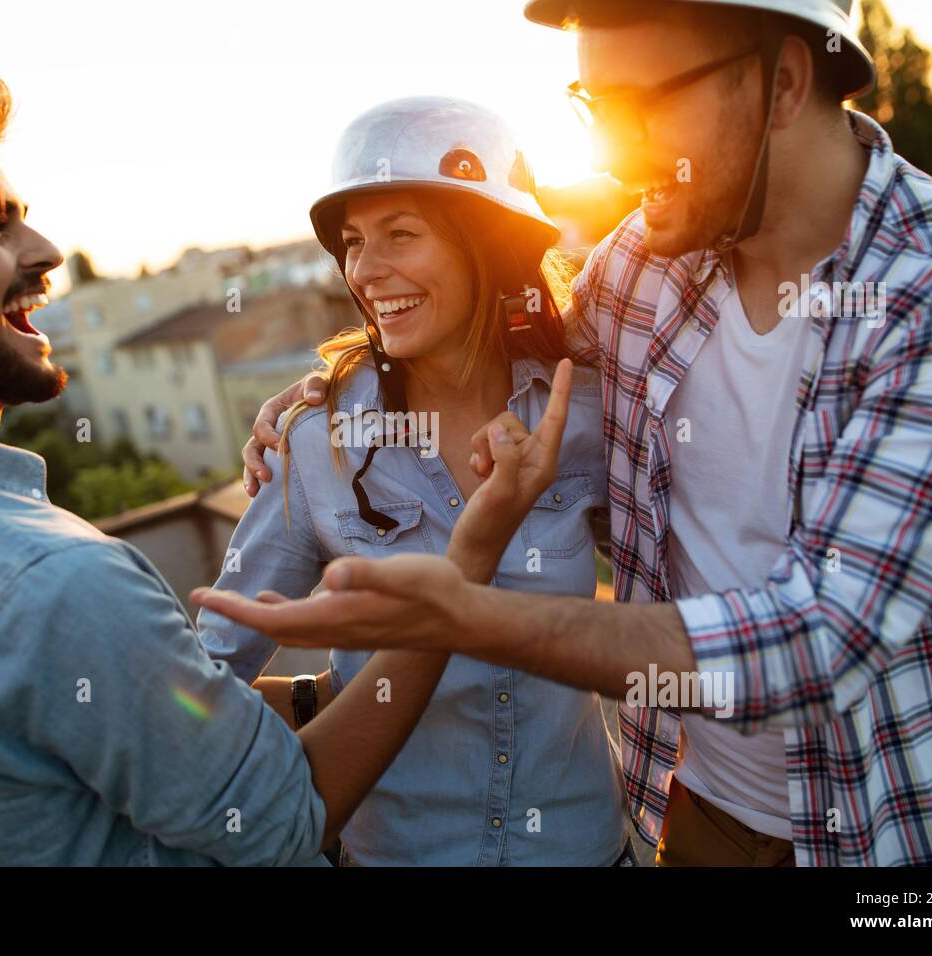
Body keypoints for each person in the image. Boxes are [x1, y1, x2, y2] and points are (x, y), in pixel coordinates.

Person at [209, 0, 932, 866]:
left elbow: (818, 644)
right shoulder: (639, 269)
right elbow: (479, 342)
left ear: (785, 82)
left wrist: (464, 611)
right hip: (695, 815)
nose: (612, 151)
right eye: (593, 105)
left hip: (910, 835)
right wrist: (325, 394)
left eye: (643, 103)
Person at [0, 72, 462, 866]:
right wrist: (448, 604)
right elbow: (291, 821)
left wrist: (324, 692)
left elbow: (113, 713)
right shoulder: (56, 581)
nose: (44, 253)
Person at [195, 97, 633, 866]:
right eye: (355, 242)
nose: (364, 270)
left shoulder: (585, 414)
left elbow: (673, 601)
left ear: (487, 246)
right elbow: (206, 678)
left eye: (401, 234)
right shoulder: (316, 441)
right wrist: (309, 712)